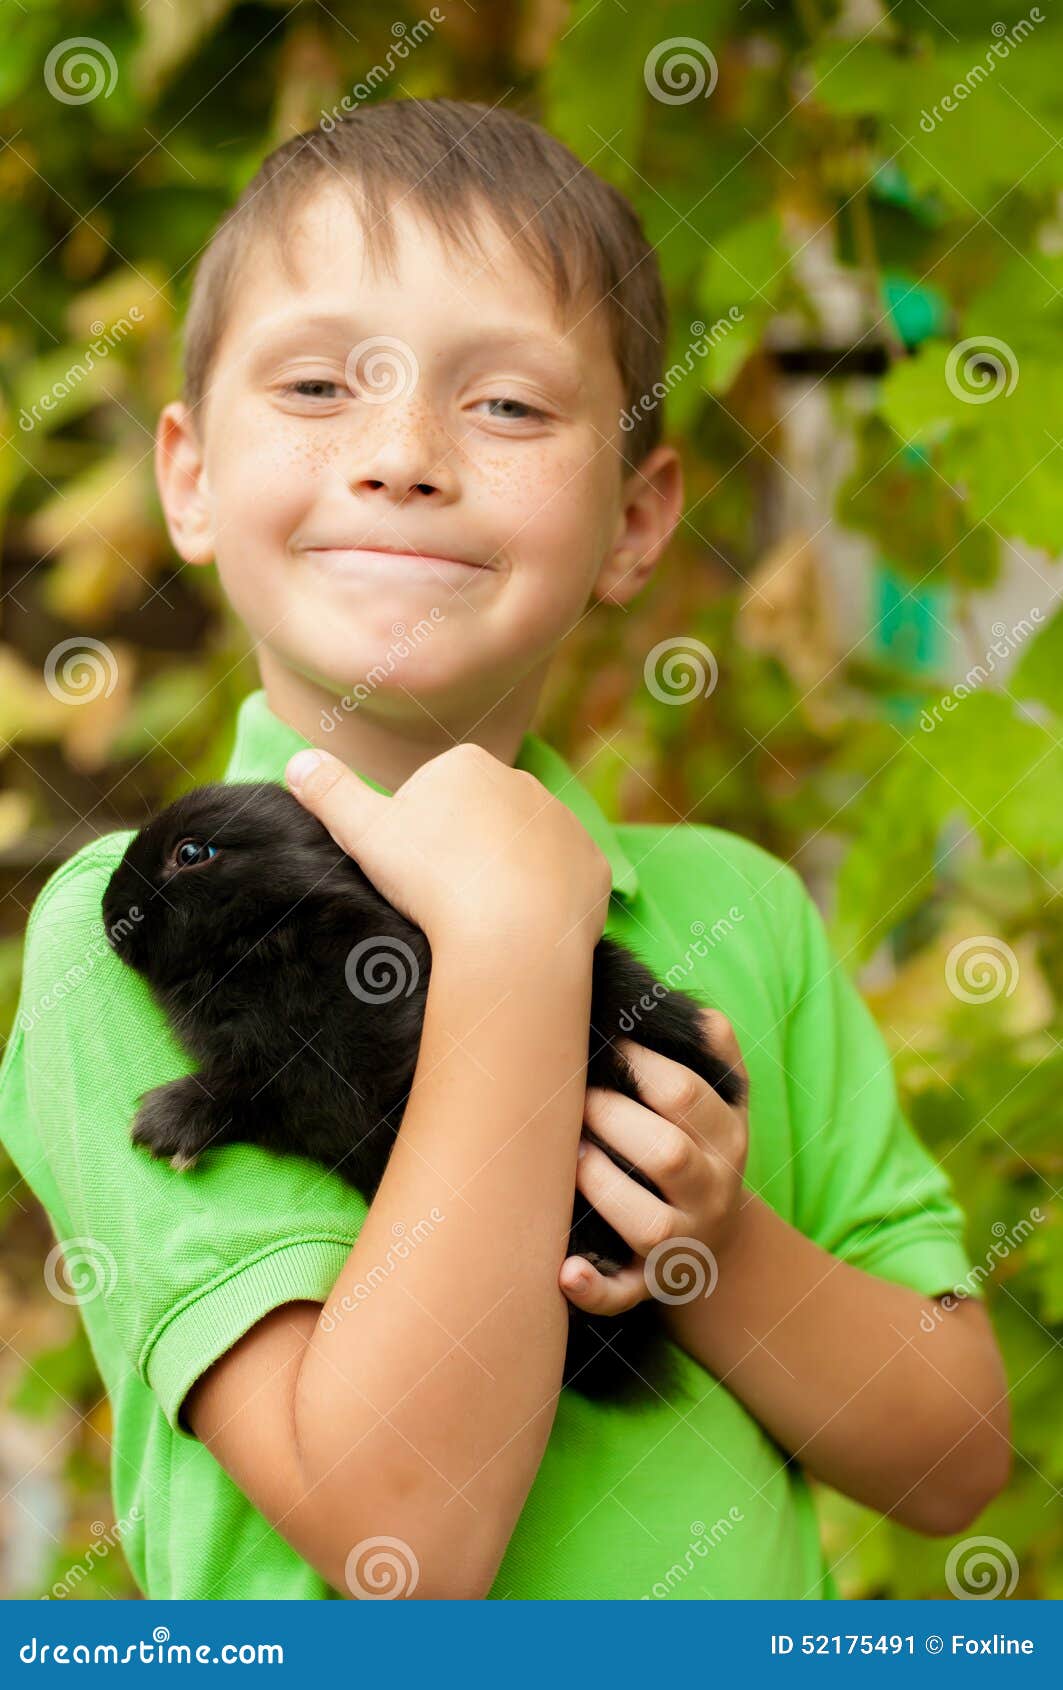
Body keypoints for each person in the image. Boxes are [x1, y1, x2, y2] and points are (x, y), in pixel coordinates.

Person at [0, 98, 1010, 1601]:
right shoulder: (128, 929)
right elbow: (407, 1540)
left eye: (512, 408)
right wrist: (519, 950)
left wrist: (710, 1252)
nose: (402, 453)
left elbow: (950, 1457)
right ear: (192, 474)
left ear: (638, 518)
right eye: (321, 383)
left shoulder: (742, 914)